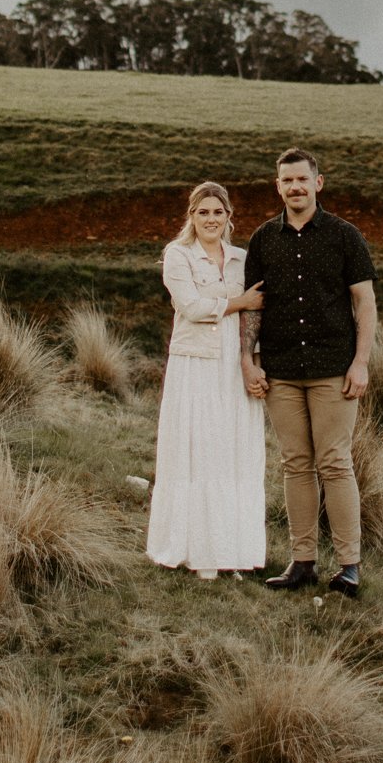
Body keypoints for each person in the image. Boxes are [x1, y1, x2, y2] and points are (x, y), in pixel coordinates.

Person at [240, 146, 377, 599]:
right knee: (295, 464)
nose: (295, 187)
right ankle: (302, 563)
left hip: (333, 370)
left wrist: (361, 362)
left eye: (302, 179)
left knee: (335, 463)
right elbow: (253, 307)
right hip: (280, 369)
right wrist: (248, 359)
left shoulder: (344, 236)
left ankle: (349, 566)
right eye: (287, 180)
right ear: (277, 186)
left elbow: (365, 302)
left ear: (318, 183)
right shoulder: (263, 239)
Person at [145, 180, 267, 579]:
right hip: (195, 364)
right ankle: (197, 551)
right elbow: (192, 307)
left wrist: (254, 361)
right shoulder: (177, 255)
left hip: (233, 363)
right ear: (192, 216)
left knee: (232, 450)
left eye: (218, 212)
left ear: (229, 216)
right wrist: (239, 301)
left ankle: (231, 549)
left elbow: (256, 315)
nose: (211, 219)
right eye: (203, 212)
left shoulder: (242, 259)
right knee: (199, 449)